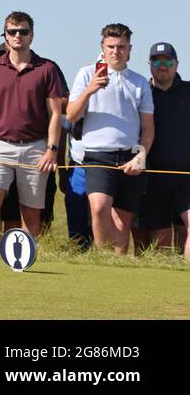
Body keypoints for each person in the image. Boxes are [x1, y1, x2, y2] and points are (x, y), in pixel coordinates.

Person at [0, 11, 66, 241]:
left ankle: (25, 258)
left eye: (23, 31)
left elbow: (55, 114)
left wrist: (51, 150)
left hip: (35, 147)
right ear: (6, 36)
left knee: (31, 212)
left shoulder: (47, 68)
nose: (18, 36)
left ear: (32, 36)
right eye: (12, 32)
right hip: (0, 145)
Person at [66, 23, 155, 255]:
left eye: (121, 47)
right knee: (98, 209)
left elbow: (148, 128)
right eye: (111, 46)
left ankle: (119, 267)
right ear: (102, 47)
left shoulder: (140, 82)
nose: (116, 51)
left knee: (121, 222)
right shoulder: (86, 73)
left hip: (130, 157)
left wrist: (141, 156)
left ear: (130, 49)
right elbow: (71, 115)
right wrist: (90, 90)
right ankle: (102, 259)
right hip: (97, 154)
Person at [141, 43, 189, 260]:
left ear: (176, 64)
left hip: (186, 177)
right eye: (157, 61)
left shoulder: (188, 91)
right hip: (151, 178)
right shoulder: (142, 92)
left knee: (187, 228)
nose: (163, 66)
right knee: (161, 240)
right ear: (150, 65)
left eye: (168, 61)